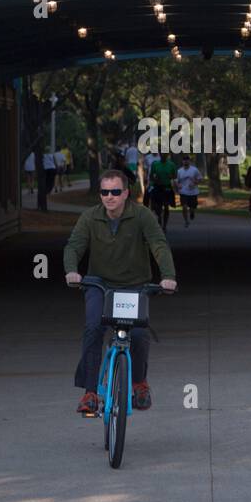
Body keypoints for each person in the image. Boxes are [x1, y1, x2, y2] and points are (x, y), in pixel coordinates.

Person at [64, 169, 177, 416]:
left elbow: (158, 244)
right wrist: (72, 271)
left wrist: (168, 276)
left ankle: (139, 384)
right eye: (105, 192)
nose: (110, 197)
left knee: (138, 334)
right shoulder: (89, 218)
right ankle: (90, 393)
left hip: (134, 286)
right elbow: (74, 246)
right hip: (99, 285)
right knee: (93, 329)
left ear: (126, 193)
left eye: (115, 192)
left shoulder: (142, 216)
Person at [148, 152, 179, 230]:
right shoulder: (155, 164)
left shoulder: (171, 165)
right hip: (157, 186)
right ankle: (159, 217)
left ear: (167, 155)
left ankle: (164, 225)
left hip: (167, 187)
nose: (163, 155)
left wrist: (170, 176)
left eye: (165, 154)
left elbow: (175, 176)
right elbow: (151, 176)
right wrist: (155, 178)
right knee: (158, 207)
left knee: (166, 206)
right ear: (160, 154)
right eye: (162, 154)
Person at [176, 154, 204, 228]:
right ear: (182, 161)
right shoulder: (179, 171)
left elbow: (200, 179)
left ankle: (192, 212)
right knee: (184, 207)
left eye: (187, 160)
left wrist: (195, 182)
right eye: (184, 160)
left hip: (193, 192)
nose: (186, 161)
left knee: (192, 207)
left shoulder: (194, 170)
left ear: (189, 161)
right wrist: (178, 185)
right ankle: (186, 221)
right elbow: (176, 181)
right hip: (183, 192)